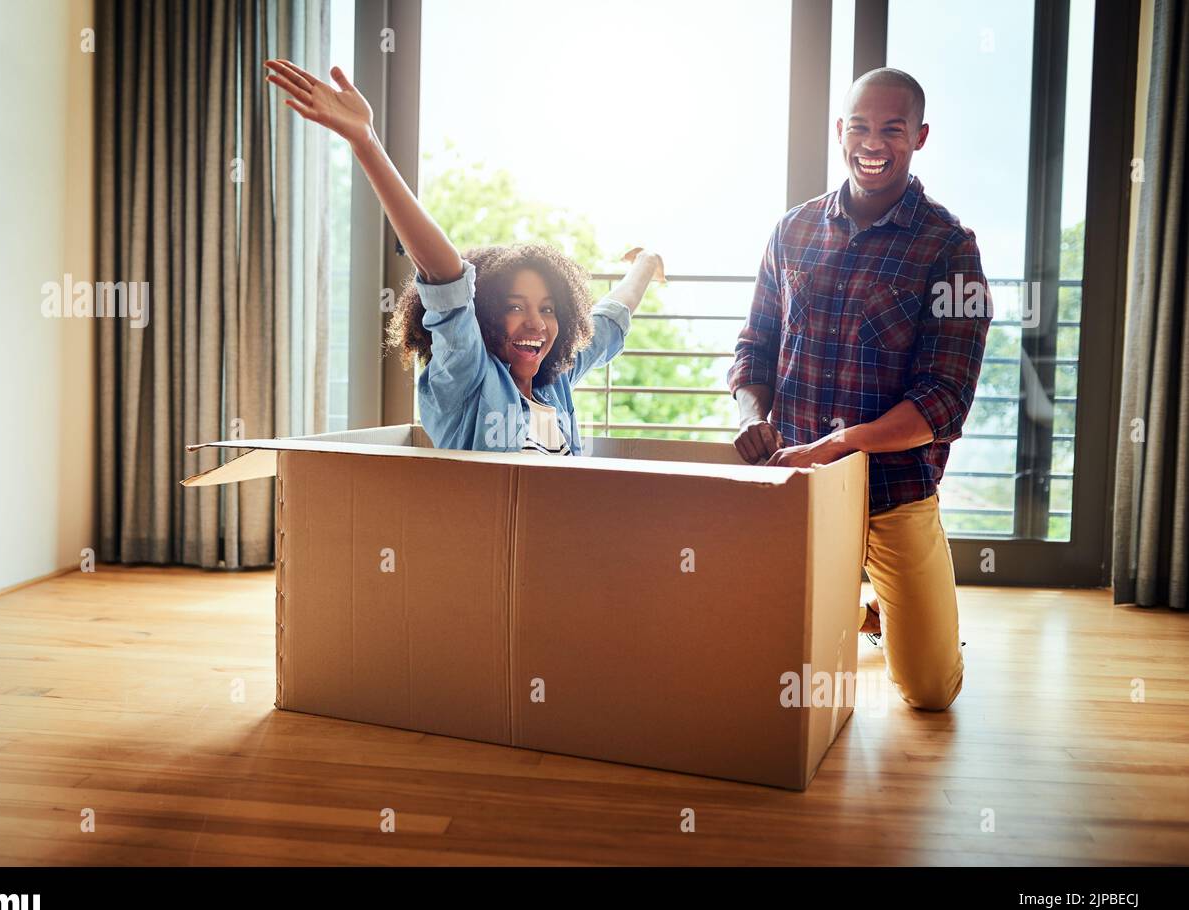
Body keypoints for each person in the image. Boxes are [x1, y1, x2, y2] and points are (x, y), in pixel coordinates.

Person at [729, 68, 992, 711]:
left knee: (930, 692)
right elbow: (753, 349)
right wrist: (748, 411)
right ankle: (863, 605)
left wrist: (833, 447)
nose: (873, 143)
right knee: (763, 664)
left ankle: (889, 610)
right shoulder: (791, 231)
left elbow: (943, 402)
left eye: (892, 129)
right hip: (799, 488)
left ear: (920, 137)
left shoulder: (950, 247)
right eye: (860, 127)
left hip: (894, 492)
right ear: (840, 131)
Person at [265, 59, 665, 455]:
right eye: (514, 306)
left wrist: (646, 262)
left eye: (547, 308)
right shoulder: (466, 375)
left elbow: (608, 322)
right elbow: (446, 277)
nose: (536, 323)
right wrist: (365, 141)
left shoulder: (554, 378)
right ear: (483, 315)